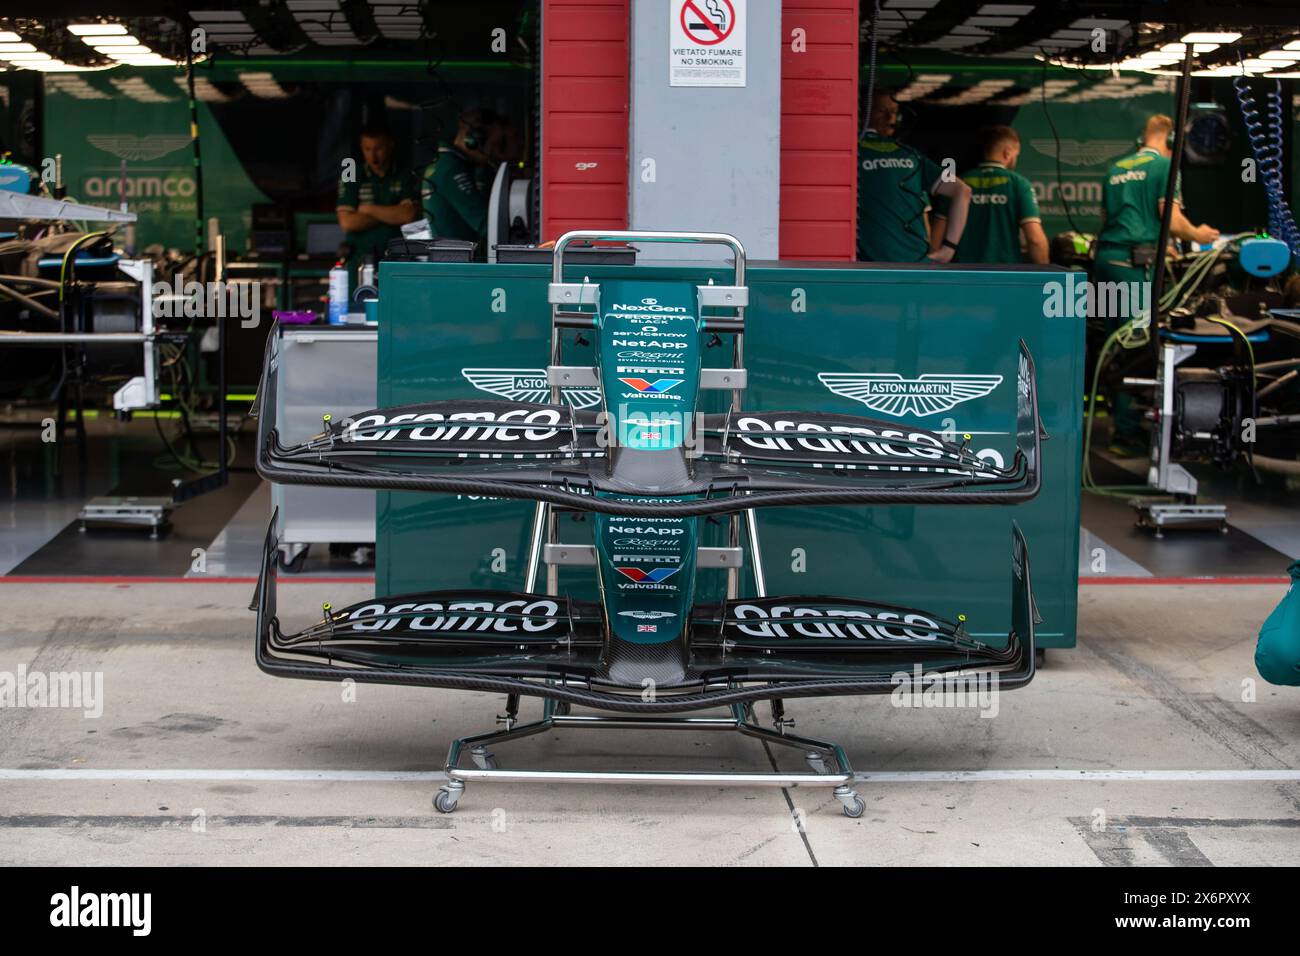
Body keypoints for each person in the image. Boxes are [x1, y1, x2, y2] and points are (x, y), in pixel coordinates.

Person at [1094, 113, 1220, 454]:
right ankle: (1125, 433)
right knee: (1134, 344)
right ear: (1169, 141)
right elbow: (1171, 219)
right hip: (1132, 267)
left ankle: (1111, 416)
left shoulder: (1115, 169)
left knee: (1112, 342)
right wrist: (1201, 234)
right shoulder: (1165, 167)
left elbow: (1117, 219)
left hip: (1107, 262)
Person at [857, 89, 971, 264]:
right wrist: (948, 249)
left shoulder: (852, 152)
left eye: (894, 112)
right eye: (882, 110)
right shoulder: (912, 155)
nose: (890, 118)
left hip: (869, 264)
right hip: (916, 262)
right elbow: (962, 190)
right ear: (865, 113)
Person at [929, 125, 1048, 265]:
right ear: (1007, 152)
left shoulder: (957, 185)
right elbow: (1035, 239)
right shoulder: (1019, 184)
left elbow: (935, 239)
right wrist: (1047, 276)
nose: (1015, 159)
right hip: (1006, 275)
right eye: (1016, 155)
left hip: (963, 274)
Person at [335, 123, 421, 283]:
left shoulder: (406, 173)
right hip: (358, 262)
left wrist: (367, 209)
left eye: (378, 148)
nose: (373, 156)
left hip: (397, 261)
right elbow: (347, 222)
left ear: (390, 146)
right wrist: (392, 214)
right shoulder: (350, 172)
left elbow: (409, 215)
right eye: (367, 149)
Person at [420, 109, 499, 242]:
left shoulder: (445, 163)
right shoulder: (452, 170)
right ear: (474, 140)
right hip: (452, 259)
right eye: (494, 144)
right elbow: (488, 226)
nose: (493, 152)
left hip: (449, 256)